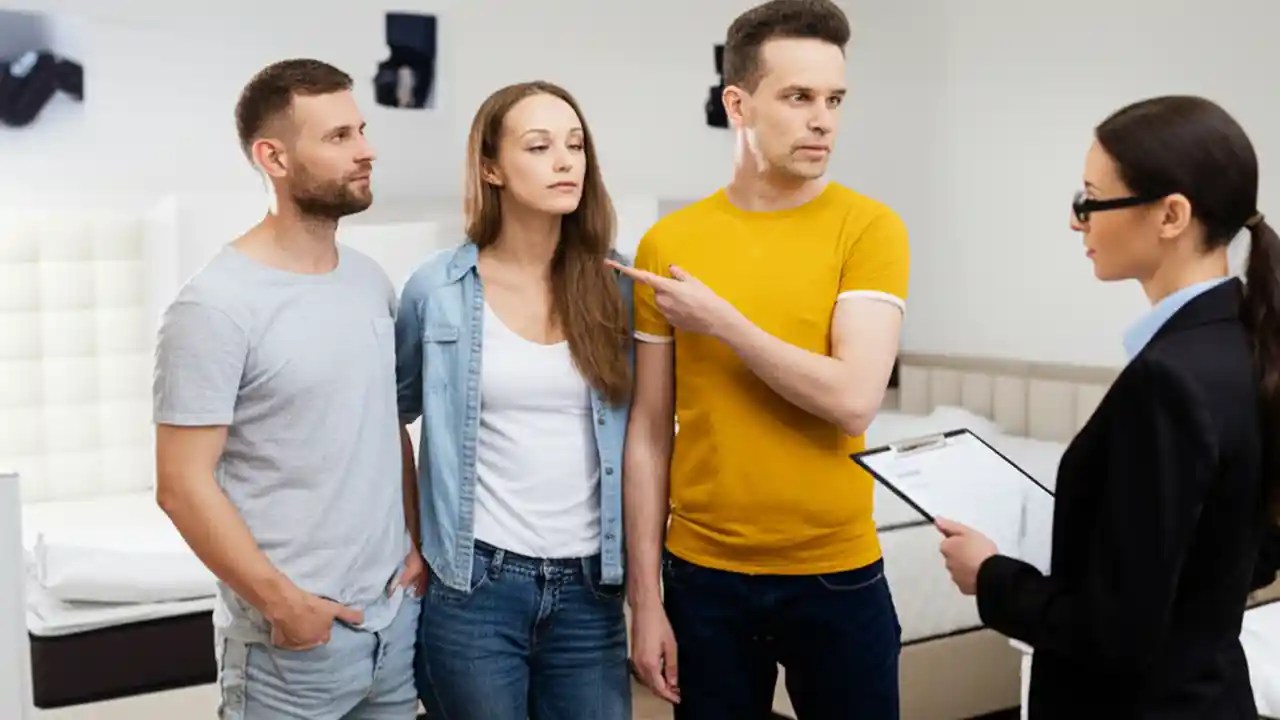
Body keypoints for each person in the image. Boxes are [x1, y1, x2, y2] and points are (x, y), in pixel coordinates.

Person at [610, 1, 909, 717]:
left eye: (834, 99)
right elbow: (649, 434)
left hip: (836, 574)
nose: (823, 119)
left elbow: (853, 399)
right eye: (798, 96)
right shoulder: (669, 245)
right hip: (704, 578)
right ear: (737, 103)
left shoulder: (869, 227)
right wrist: (645, 601)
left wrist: (724, 323)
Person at [938, 95, 1280, 719]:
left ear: (1171, 214)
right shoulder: (1247, 345)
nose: (1079, 222)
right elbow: (1252, 550)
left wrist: (989, 577)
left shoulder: (1169, 381)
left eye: (1090, 200)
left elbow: (1112, 634)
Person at [152, 59, 425, 720]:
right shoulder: (215, 306)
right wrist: (282, 602)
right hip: (291, 650)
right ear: (272, 157)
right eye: (338, 137)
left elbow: (386, 425)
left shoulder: (368, 280)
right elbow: (182, 484)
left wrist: (412, 548)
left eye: (360, 130)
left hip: (391, 628)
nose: (366, 150)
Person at [394, 80, 634, 720]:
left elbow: (649, 435)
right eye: (540, 146)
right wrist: (412, 546)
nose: (566, 161)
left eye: (576, 145)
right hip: (475, 587)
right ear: (492, 167)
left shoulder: (619, 287)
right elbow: (392, 419)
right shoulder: (436, 290)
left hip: (592, 588)